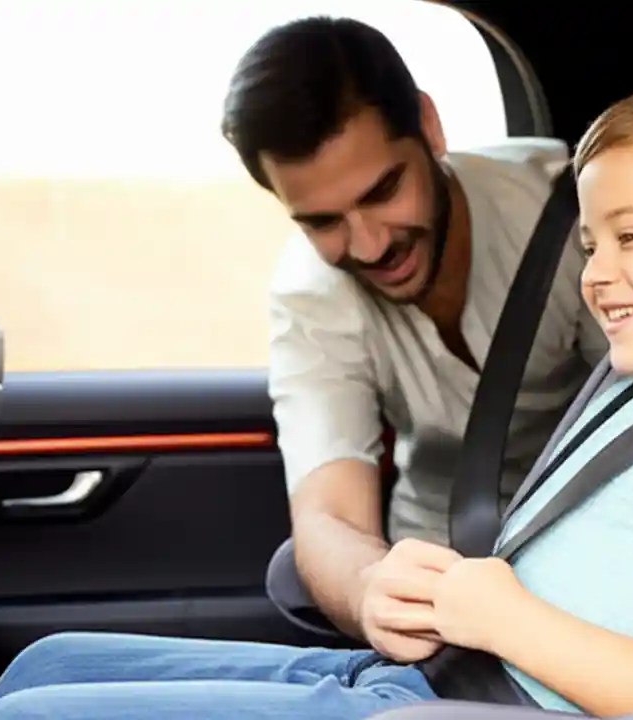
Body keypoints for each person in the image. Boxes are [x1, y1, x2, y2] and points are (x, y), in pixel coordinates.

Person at [0, 75, 633, 720]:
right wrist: (400, 588)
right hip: (427, 667)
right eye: (592, 242)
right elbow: (329, 513)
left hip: (482, 691)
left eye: (630, 238)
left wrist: (506, 618)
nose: (595, 274)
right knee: (50, 664)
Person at [224, 15, 608, 655]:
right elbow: (328, 515)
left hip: (591, 563)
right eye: (322, 222)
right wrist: (373, 590)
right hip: (433, 589)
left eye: (384, 190)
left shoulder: (570, 215)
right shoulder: (309, 291)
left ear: (429, 128)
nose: (369, 244)